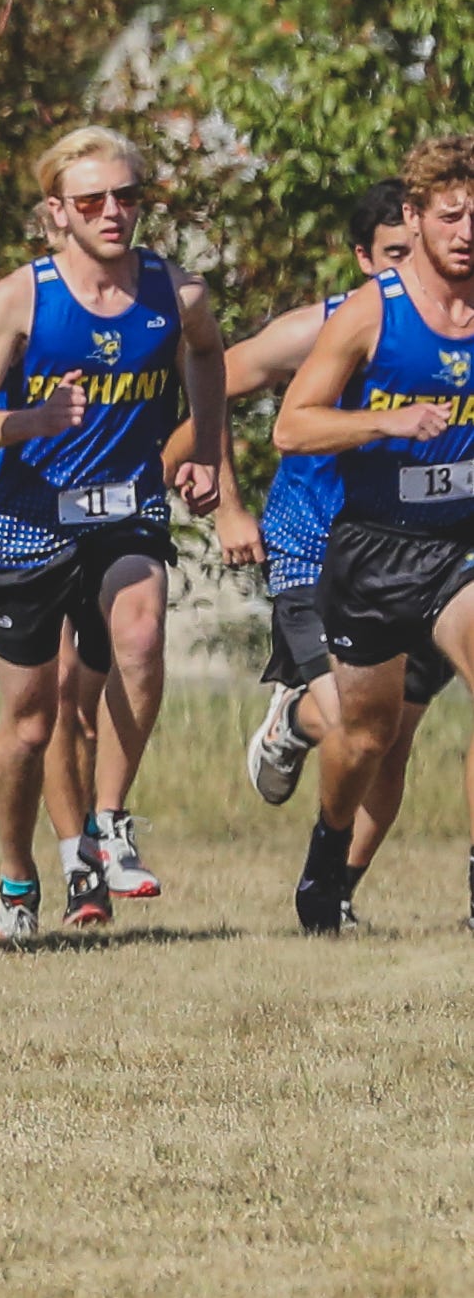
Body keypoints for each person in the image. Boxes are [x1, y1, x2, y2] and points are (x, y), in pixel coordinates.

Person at [0, 127, 251, 940]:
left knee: (142, 631)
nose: (114, 212)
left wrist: (202, 447)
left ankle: (110, 823)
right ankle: (20, 874)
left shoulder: (176, 292)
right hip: (28, 517)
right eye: (92, 200)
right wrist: (36, 420)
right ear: (58, 212)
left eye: (127, 196)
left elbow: (208, 356)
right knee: (34, 717)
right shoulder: (19, 299)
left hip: (126, 506)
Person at [272, 138, 474, 938]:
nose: (467, 230)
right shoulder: (373, 311)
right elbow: (293, 425)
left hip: (460, 541)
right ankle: (325, 869)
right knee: (367, 736)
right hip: (374, 549)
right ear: (416, 217)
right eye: (451, 214)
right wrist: (384, 419)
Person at [235, 185, 426, 915]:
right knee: (354, 724)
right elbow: (213, 375)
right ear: (361, 257)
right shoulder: (324, 325)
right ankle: (292, 721)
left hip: (418, 550)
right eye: (395, 255)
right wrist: (216, 495)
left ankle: (338, 888)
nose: (415, 268)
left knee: (388, 739)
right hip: (311, 546)